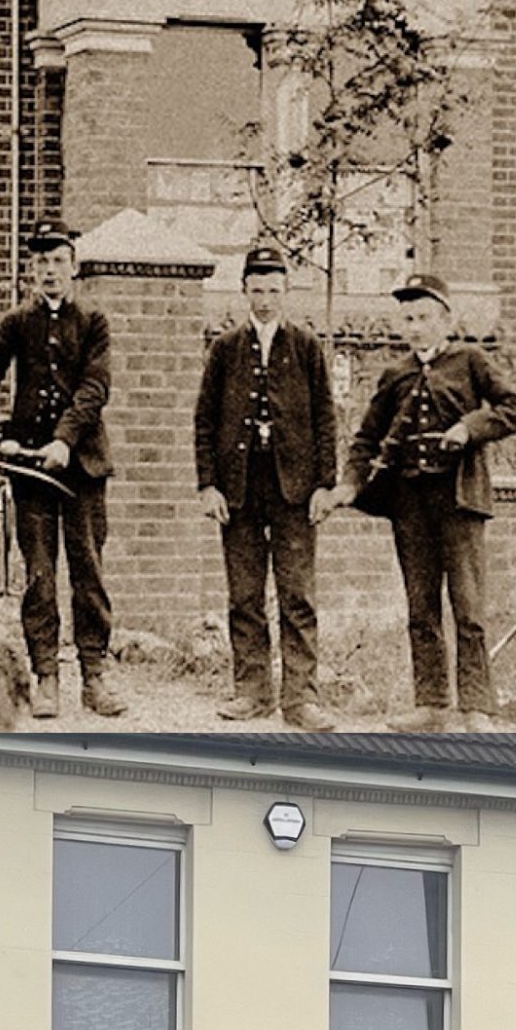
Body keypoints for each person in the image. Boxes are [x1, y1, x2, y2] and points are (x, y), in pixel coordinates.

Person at [0, 228, 125, 720]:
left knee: (88, 572)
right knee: (39, 575)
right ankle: (46, 678)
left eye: (59, 261)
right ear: (31, 270)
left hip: (80, 466)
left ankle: (94, 676)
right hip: (29, 466)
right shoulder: (18, 321)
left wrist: (64, 439)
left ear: (74, 267)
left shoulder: (94, 321)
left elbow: (94, 388)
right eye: (41, 262)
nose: (50, 271)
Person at [335, 274, 516, 734]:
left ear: (446, 320)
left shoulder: (471, 362)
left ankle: (477, 707)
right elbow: (366, 439)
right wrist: (349, 483)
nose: (416, 326)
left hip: (458, 501)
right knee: (421, 607)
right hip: (410, 504)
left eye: (424, 317)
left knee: (468, 608)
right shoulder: (395, 374)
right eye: (408, 318)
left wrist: (469, 427)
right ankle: (431, 703)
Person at [194, 243, 340, 730]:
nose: (265, 299)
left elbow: (326, 418)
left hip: (294, 490)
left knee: (297, 594)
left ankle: (300, 699)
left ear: (287, 292)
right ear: (243, 291)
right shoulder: (225, 349)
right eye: (256, 290)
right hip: (239, 488)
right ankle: (251, 692)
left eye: (274, 290)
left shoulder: (306, 347)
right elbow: (204, 420)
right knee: (244, 595)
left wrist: (325, 485)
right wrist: (208, 485)